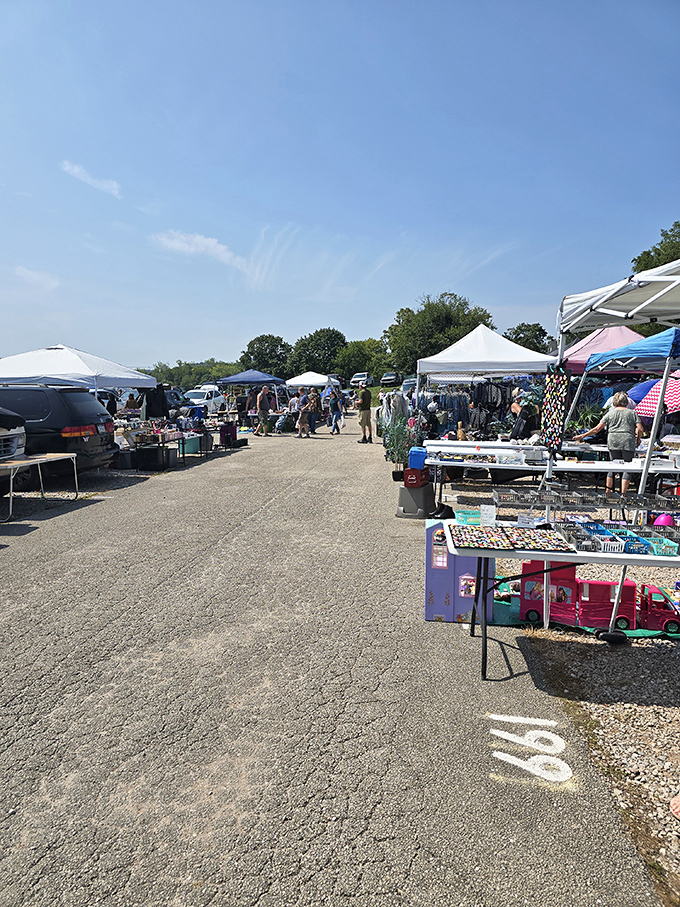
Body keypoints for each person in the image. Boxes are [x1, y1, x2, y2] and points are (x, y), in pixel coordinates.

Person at [574, 391, 644, 494]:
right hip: (627, 441)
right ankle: (623, 494)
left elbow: (597, 429)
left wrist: (582, 436)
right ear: (626, 401)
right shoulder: (632, 413)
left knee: (612, 466)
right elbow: (640, 429)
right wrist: (638, 439)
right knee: (628, 467)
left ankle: (608, 492)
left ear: (614, 402)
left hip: (613, 440)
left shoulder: (610, 414)